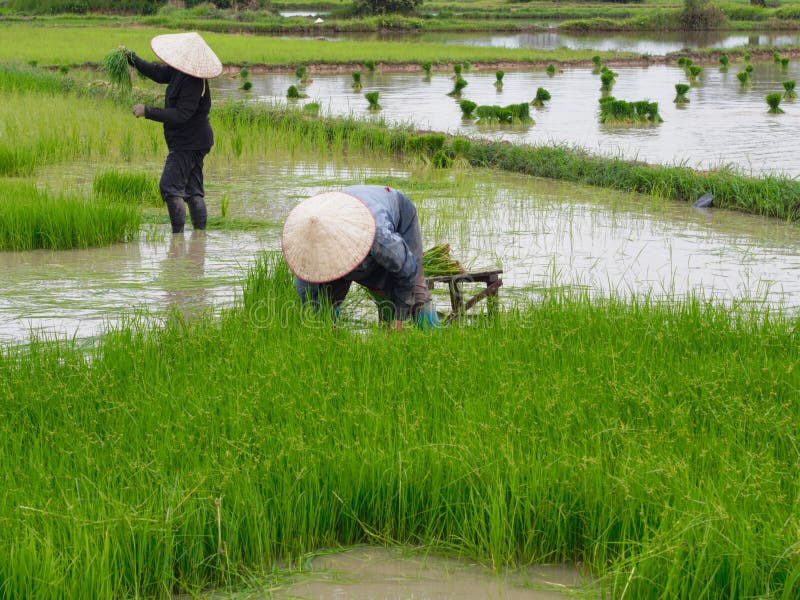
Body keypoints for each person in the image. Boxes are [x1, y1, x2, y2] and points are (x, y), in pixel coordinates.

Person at [281, 185, 439, 331]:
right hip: (341, 208)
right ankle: (338, 328)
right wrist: (318, 325)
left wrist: (399, 320)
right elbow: (307, 292)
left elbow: (408, 269)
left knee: (416, 290)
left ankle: (433, 339)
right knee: (329, 293)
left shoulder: (379, 238)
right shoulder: (310, 249)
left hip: (395, 209)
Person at [124, 32, 222, 233]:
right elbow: (159, 73)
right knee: (193, 190)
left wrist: (147, 111)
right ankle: (198, 241)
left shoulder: (194, 80)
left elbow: (181, 115)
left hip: (188, 142)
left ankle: (177, 238)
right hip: (193, 140)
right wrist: (132, 58)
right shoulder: (181, 71)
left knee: (169, 186)